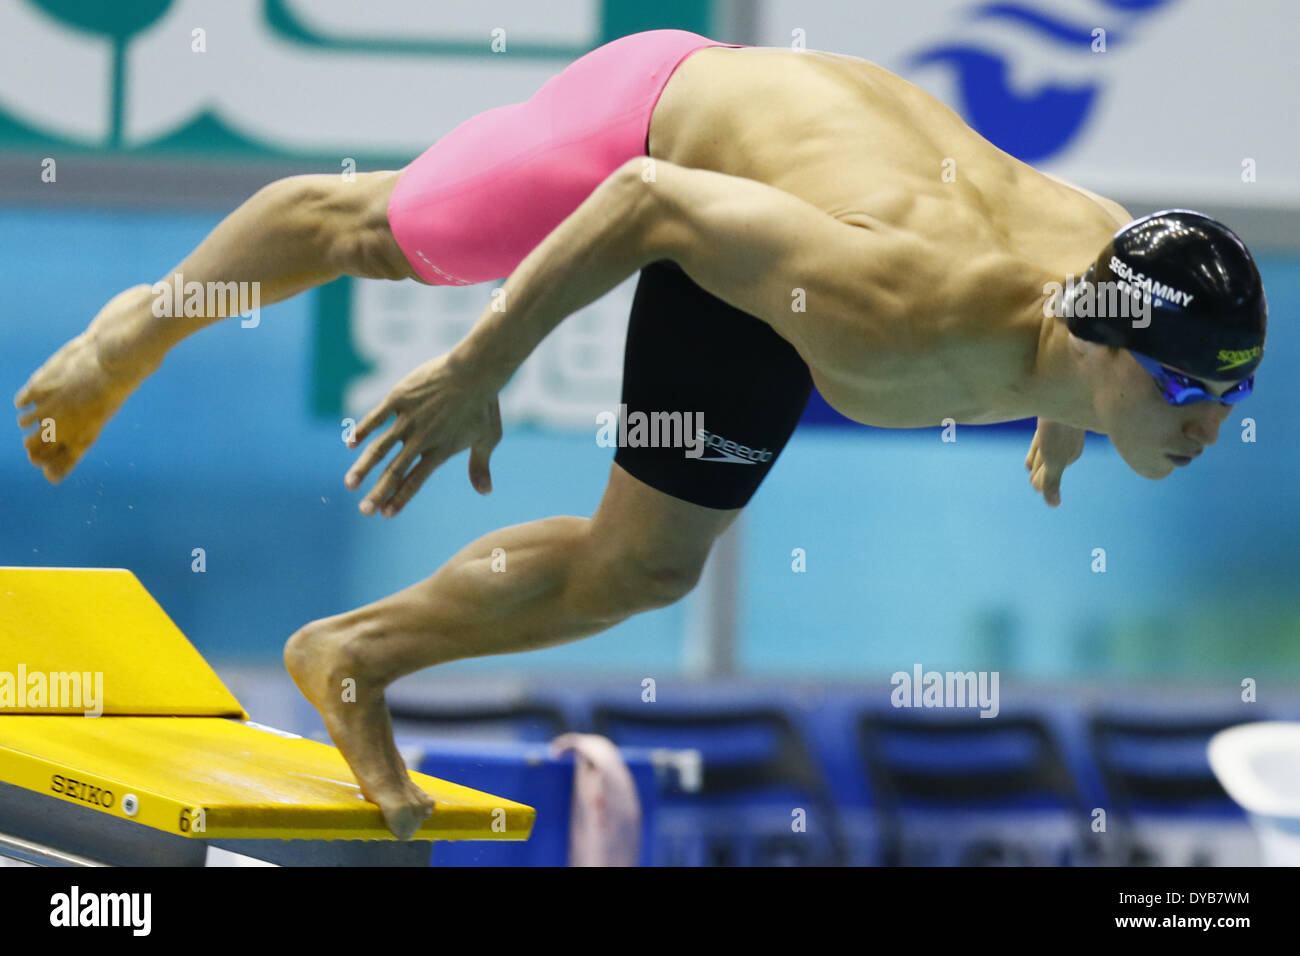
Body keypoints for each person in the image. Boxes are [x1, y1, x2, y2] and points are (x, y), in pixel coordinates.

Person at [13, 30, 1266, 837]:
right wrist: (479, 362)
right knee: (374, 231)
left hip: (786, 242)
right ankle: (134, 329)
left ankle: (351, 652)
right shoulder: (905, 301)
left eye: (1226, 401)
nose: (1206, 428)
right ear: (1103, 346)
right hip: (661, 128)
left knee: (646, 568)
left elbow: (1086, 330)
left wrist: (1068, 420)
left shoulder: (1104, 279)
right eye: (1181, 396)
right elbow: (648, 201)